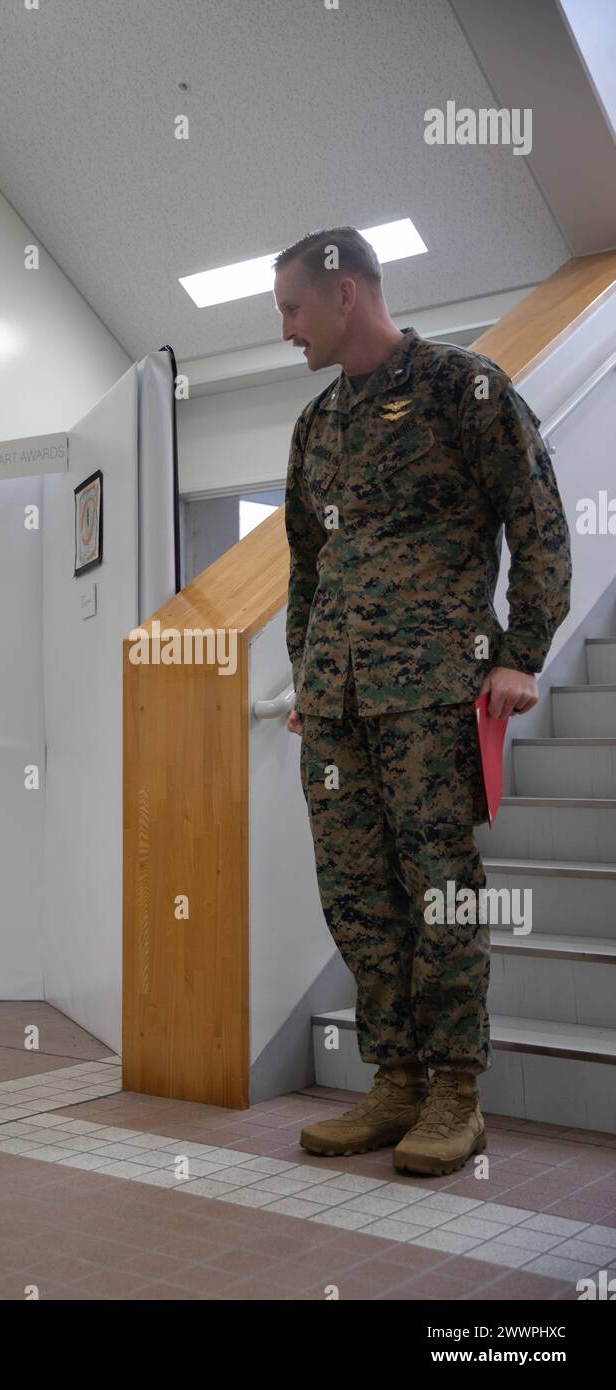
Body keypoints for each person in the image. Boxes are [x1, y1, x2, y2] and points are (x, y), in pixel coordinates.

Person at [274, 226, 572, 1176]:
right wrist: (311, 672)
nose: (287, 330)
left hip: (436, 691)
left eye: (291, 309)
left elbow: (539, 522)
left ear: (345, 294)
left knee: (440, 894)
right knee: (357, 898)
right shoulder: (316, 423)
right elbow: (308, 568)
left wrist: (521, 652)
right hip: (338, 706)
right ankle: (394, 1080)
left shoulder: (462, 388)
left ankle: (456, 1092)